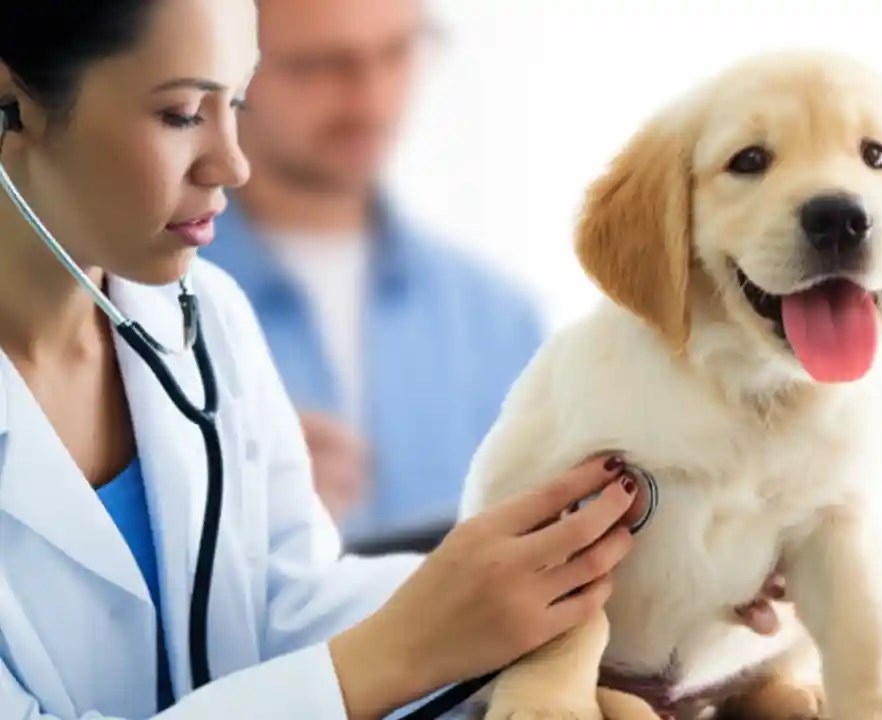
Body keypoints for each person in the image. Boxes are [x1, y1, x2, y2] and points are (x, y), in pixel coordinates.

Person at [0, 0, 648, 717]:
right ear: (11, 108)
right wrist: (403, 649)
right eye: (182, 113)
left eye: (237, 102)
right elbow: (359, 663)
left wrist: (576, 606)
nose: (234, 163)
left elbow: (286, 607)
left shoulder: (205, 315)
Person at [200, 0, 544, 540]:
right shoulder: (129, 302)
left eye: (396, 52)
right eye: (318, 64)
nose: (371, 98)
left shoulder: (500, 322)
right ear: (222, 69)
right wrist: (215, 499)